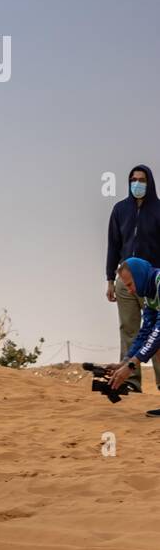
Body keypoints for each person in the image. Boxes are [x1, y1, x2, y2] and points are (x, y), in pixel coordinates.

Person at [106, 165, 160, 392]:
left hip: (151, 279)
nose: (137, 183)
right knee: (130, 329)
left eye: (142, 180)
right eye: (133, 180)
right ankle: (129, 381)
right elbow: (113, 245)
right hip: (125, 275)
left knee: (157, 334)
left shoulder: (158, 209)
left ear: (150, 182)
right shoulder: (120, 210)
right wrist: (110, 278)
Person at [106, 257, 160, 417]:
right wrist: (125, 361)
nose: (129, 291)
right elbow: (146, 331)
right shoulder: (150, 293)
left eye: (130, 285)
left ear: (139, 276)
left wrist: (131, 366)